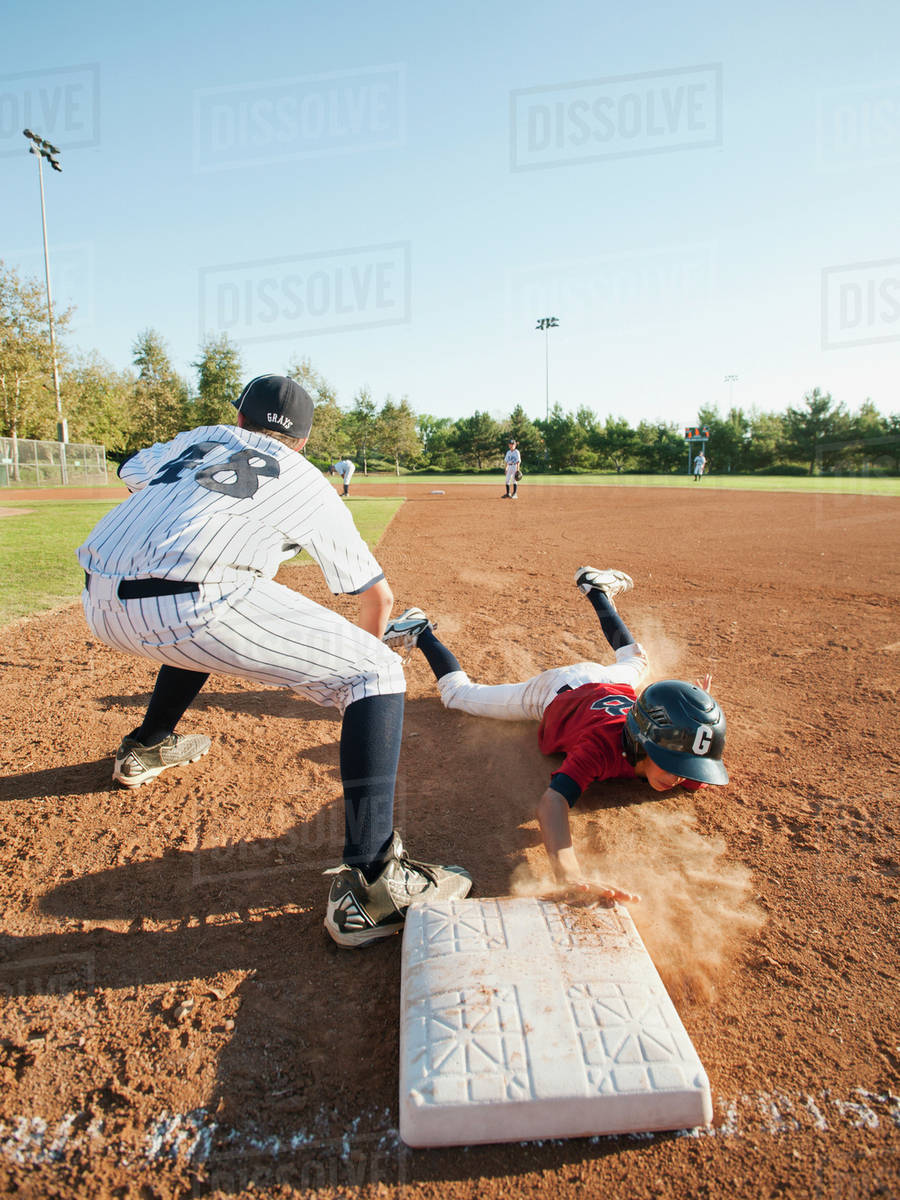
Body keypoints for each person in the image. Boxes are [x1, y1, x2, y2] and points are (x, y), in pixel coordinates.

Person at [76, 374, 471, 948]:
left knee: (228, 597)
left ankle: (149, 743)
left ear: (239, 419)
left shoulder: (203, 435)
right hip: (189, 601)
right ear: (305, 443)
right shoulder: (308, 481)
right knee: (377, 670)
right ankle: (373, 883)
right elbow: (376, 599)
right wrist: (353, 689)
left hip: (95, 597)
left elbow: (132, 470)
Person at [382, 567, 727, 902]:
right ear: (642, 740)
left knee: (636, 659)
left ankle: (595, 588)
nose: (682, 778)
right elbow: (552, 803)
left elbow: (695, 758)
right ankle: (421, 630)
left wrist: (694, 712)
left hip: (612, 684)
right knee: (458, 696)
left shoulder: (678, 765)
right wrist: (569, 876)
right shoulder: (600, 746)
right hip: (552, 692)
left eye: (686, 769)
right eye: (673, 764)